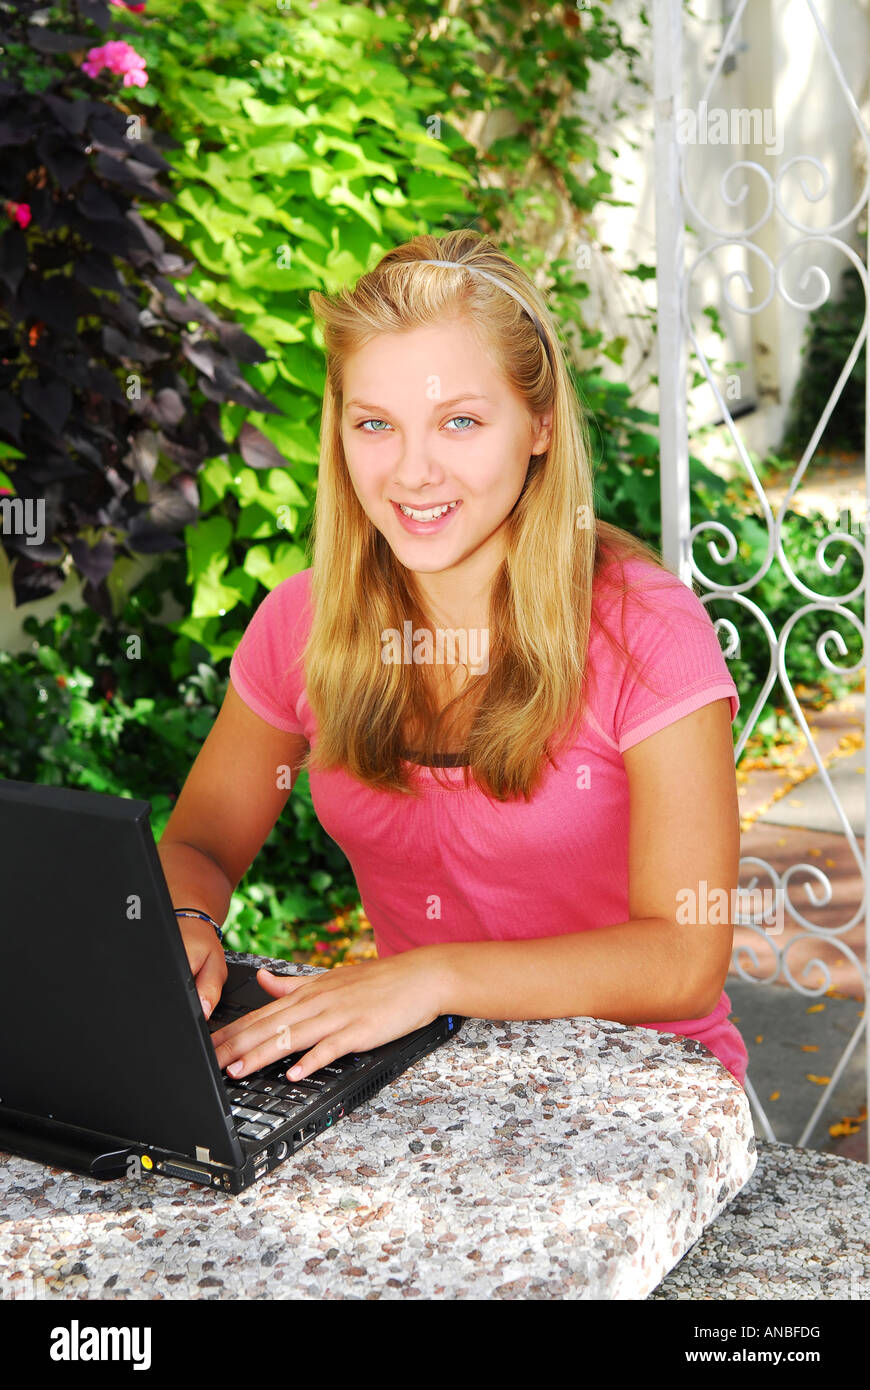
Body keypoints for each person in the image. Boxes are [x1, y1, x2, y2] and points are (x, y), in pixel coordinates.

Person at [159, 228, 749, 1091]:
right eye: (375, 425)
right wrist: (181, 919)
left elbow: (685, 955)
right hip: (425, 1080)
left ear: (540, 425)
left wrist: (431, 975)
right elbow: (202, 843)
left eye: (460, 421)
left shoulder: (646, 631)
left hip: (646, 1092)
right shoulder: (304, 622)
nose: (412, 472)